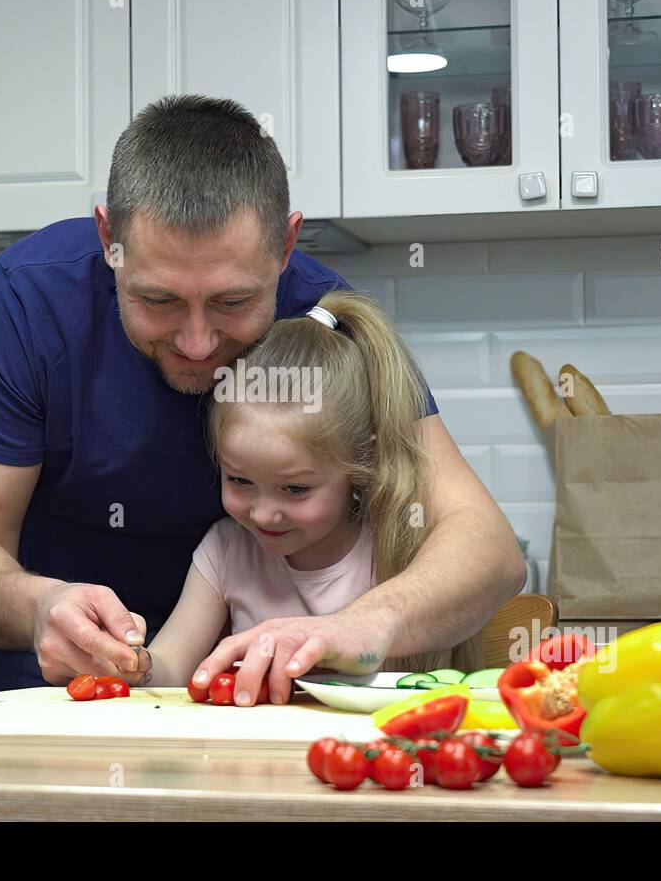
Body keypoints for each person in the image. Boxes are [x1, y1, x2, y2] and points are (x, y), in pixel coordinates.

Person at [0, 94, 526, 695]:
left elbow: (488, 546)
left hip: (225, 690)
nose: (196, 341)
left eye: (233, 302)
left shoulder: (325, 319)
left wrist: (361, 625)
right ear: (109, 239)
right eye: (157, 300)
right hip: (17, 674)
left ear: (287, 248)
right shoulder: (27, 301)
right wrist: (38, 606)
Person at [141, 290, 456, 696]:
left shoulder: (397, 546)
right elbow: (168, 667)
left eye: (294, 489)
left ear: (365, 463)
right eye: (240, 481)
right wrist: (132, 663)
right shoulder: (225, 550)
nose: (264, 514)